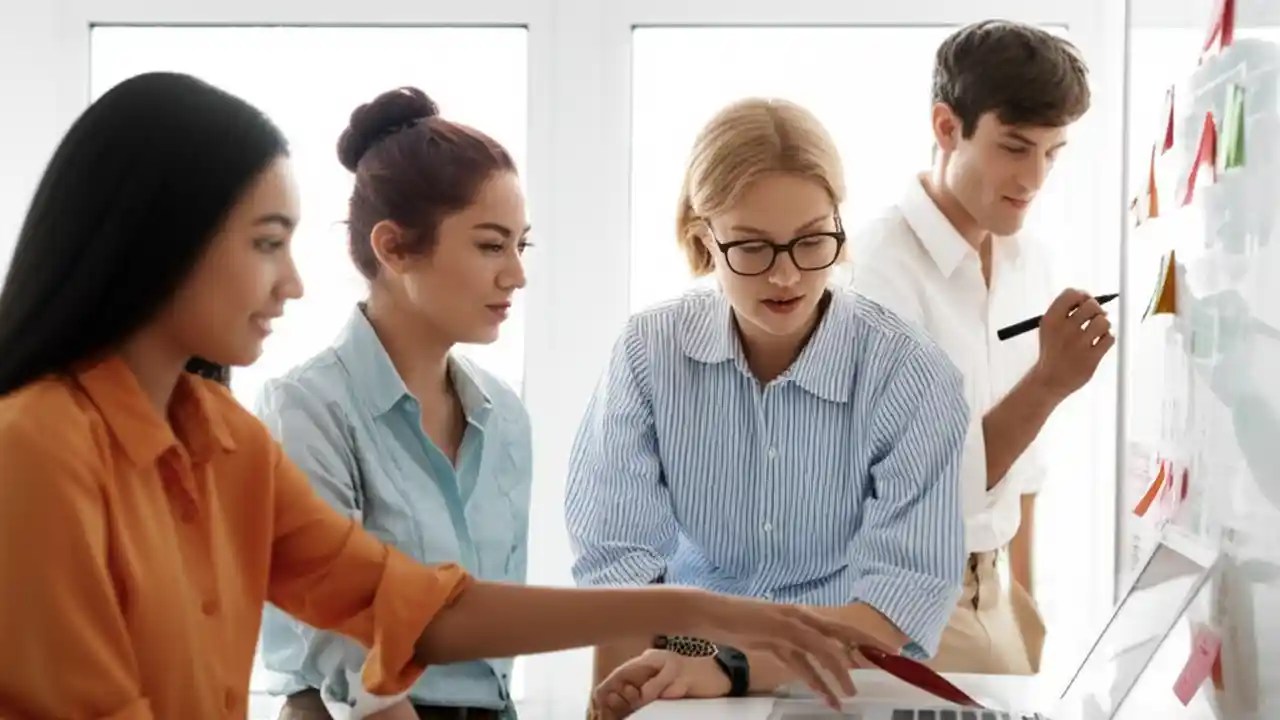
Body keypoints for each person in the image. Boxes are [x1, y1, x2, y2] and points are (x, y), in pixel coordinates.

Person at [0, 72, 894, 720]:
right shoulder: (34, 450)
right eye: (267, 243)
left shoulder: (227, 445)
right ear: (159, 241)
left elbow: (423, 608)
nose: (296, 284)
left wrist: (694, 609)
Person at [564, 97, 970, 704]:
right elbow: (619, 573)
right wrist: (626, 703)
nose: (786, 277)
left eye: (811, 242)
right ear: (705, 237)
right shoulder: (649, 353)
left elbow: (900, 595)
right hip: (682, 675)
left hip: (839, 681)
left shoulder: (909, 373)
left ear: (838, 223)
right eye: (752, 248)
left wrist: (734, 666)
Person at [254, 87, 533, 720]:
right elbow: (335, 636)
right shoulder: (308, 408)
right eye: (492, 245)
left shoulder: (505, 415)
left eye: (523, 245)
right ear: (393, 247)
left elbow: (496, 640)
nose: (516, 274)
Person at [850, 20, 1114, 674]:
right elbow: (927, 482)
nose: (1035, 177)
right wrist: (1050, 383)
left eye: (1052, 153)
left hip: (999, 598)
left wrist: (1025, 608)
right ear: (947, 127)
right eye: (1015, 147)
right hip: (908, 611)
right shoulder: (877, 272)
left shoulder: (1028, 261)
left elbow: (1025, 473)